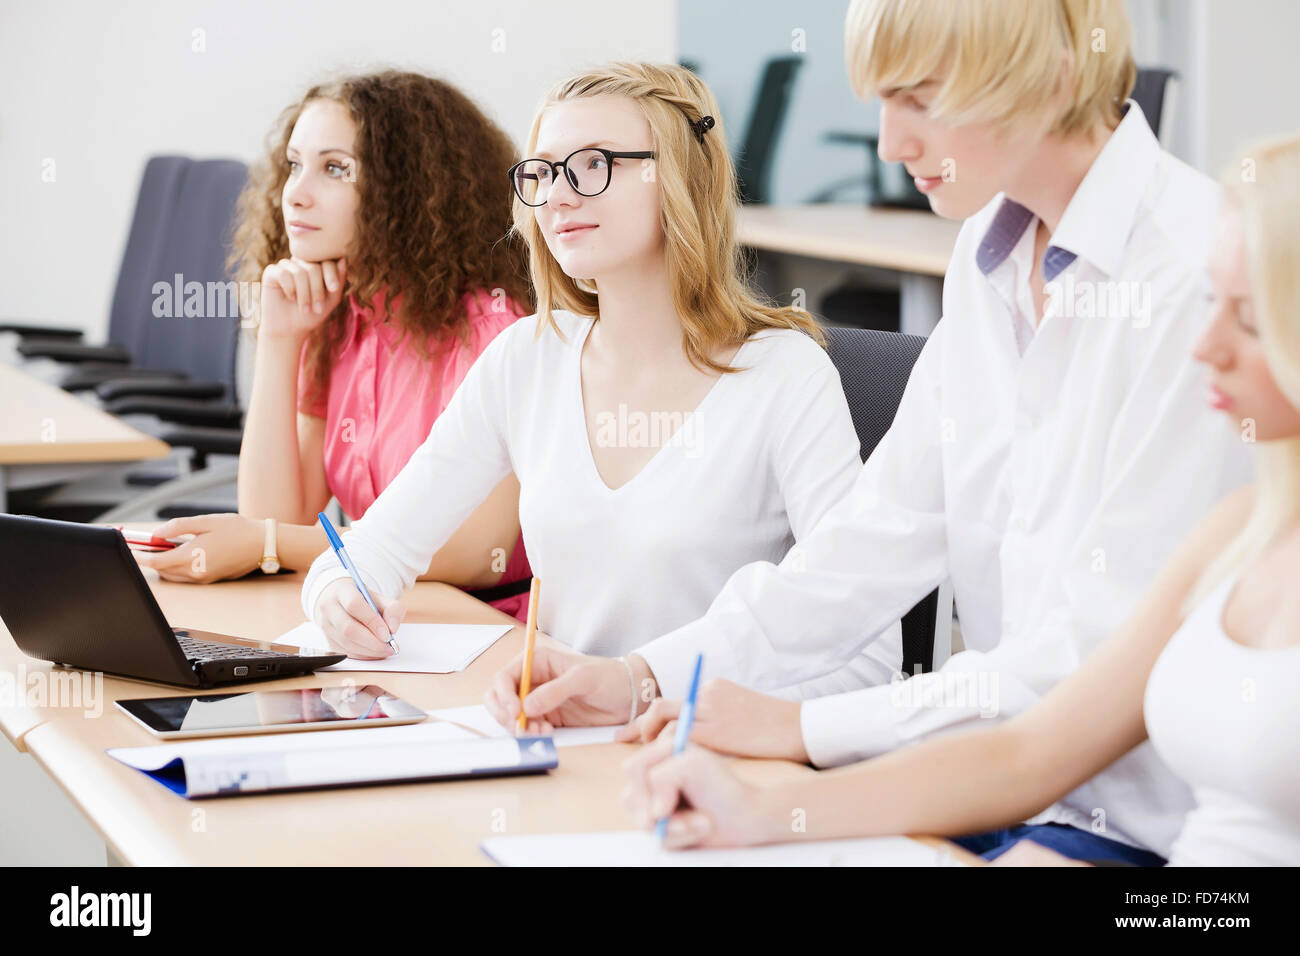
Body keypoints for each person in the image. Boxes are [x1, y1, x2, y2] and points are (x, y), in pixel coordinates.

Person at [490, 0, 1252, 864]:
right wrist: (640, 678)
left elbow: (1084, 666)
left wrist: (805, 726)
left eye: (921, 97)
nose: (890, 145)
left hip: (1139, 826)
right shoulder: (987, 257)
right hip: (981, 785)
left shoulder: (1197, 281)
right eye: (882, 101)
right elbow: (873, 539)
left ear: (1053, 77)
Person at [622, 132, 1300, 867]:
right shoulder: (1245, 528)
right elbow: (1032, 751)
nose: (1205, 345)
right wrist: (761, 810)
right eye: (1215, 306)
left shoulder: (1166, 275)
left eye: (1251, 318)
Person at [301, 62, 902, 688]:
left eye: (593, 166)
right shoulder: (527, 359)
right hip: (560, 746)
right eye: (543, 171)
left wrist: (646, 693)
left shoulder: (784, 375)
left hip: (705, 755)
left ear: (679, 178)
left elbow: (869, 655)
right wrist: (338, 595)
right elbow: (370, 550)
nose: (558, 196)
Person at [135, 71, 535, 621]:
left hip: (478, 629)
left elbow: (473, 556)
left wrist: (268, 545)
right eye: (295, 165)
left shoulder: (495, 331)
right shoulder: (345, 320)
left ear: (410, 189)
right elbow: (276, 511)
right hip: (367, 619)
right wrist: (280, 341)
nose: (295, 194)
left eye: (335, 169)